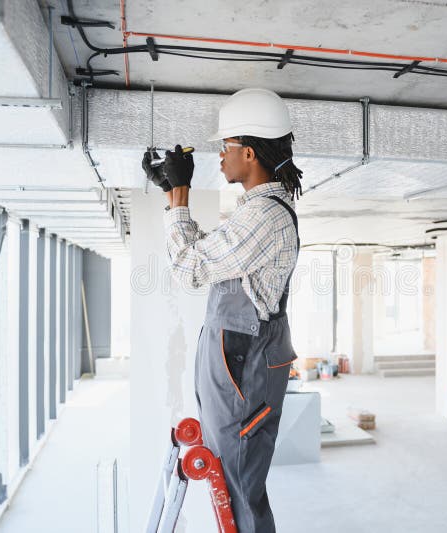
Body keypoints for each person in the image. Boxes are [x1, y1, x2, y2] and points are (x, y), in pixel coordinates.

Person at [142, 87, 304, 532]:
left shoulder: (264, 217)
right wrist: (174, 193)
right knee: (232, 487)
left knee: (240, 492)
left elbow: (188, 268)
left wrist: (181, 190)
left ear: (249, 153)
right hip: (236, 362)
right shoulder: (255, 212)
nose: (219, 156)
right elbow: (202, 255)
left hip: (243, 367)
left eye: (224, 147)